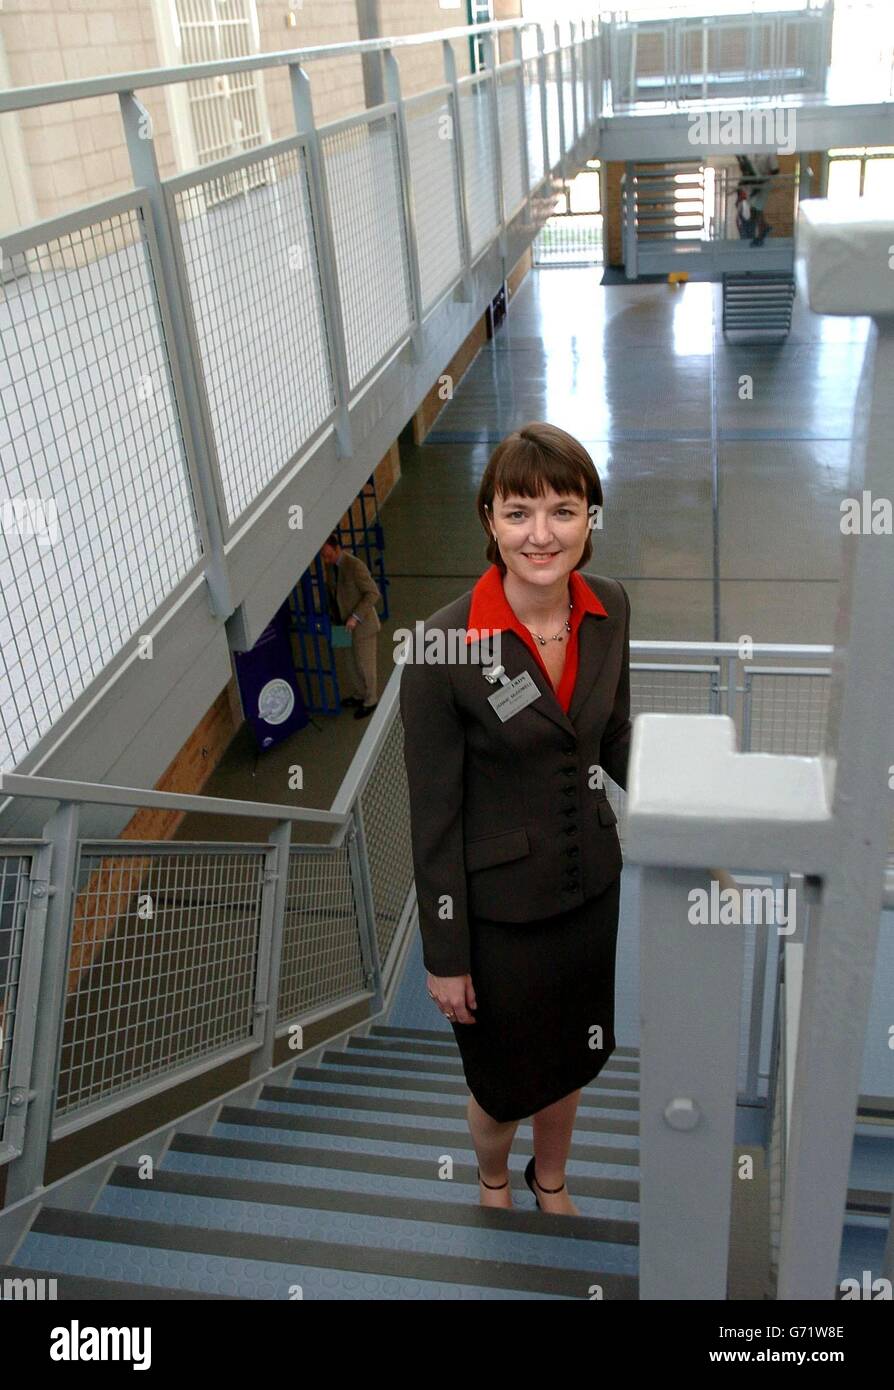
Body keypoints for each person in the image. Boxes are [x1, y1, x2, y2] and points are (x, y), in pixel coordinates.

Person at [399, 422, 631, 1215]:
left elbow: (616, 739)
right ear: (489, 520)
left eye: (564, 511)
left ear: (589, 521)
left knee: (571, 1062)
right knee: (502, 1087)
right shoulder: (441, 648)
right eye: (519, 511)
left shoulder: (612, 610)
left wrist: (682, 819)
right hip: (497, 923)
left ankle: (551, 1178)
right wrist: (445, 954)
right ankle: (495, 1176)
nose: (542, 534)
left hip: (589, 894)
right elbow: (432, 817)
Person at [320, 533, 382, 719]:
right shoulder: (330, 568)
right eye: (323, 556)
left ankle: (371, 700)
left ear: (336, 548)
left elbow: (372, 593)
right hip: (341, 624)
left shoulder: (354, 566)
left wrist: (355, 616)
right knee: (348, 663)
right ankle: (358, 694)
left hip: (361, 625)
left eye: (327, 554)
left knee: (365, 664)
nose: (326, 559)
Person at [735, 152, 780, 247]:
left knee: (756, 208)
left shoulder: (769, 153)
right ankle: (763, 228)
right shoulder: (750, 153)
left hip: (764, 184)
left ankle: (762, 231)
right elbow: (746, 169)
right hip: (753, 184)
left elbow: (775, 170)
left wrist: (764, 178)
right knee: (755, 208)